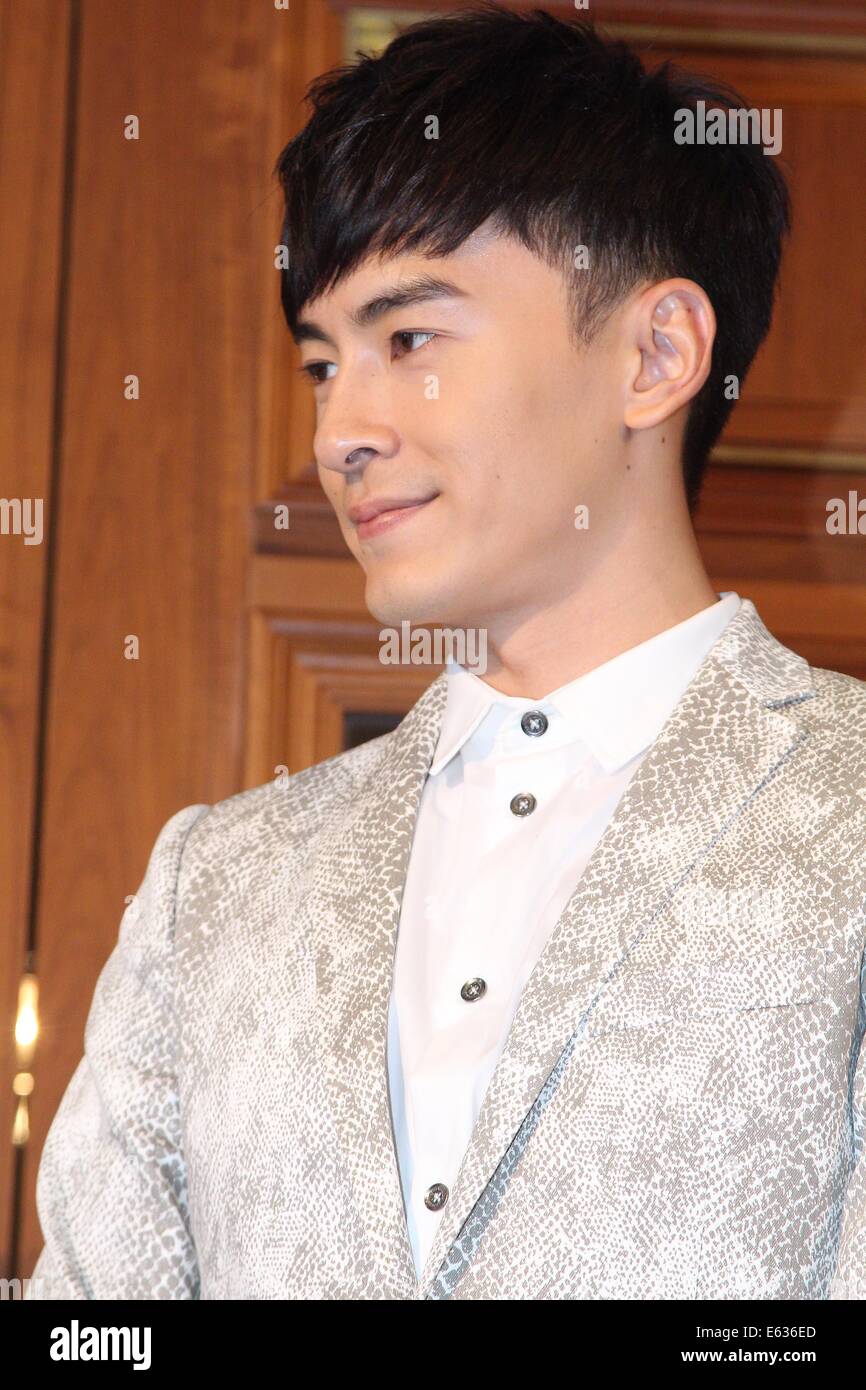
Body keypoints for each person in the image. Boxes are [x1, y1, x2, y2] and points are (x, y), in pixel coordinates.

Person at [30, 4, 865, 1299]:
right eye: (321, 363)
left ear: (654, 353)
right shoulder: (215, 886)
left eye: (408, 340)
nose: (340, 430)